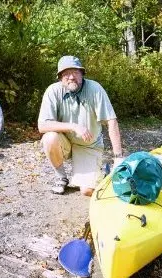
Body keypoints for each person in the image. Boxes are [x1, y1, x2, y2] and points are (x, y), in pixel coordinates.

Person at [38, 55, 124, 196]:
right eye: (66, 73)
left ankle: (102, 173)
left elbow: (111, 121)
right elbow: (42, 126)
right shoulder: (52, 91)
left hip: (88, 145)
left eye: (75, 72)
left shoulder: (95, 89)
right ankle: (61, 177)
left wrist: (118, 157)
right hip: (64, 142)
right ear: (60, 77)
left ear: (82, 74)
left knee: (87, 191)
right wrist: (74, 126)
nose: (71, 77)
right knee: (49, 138)